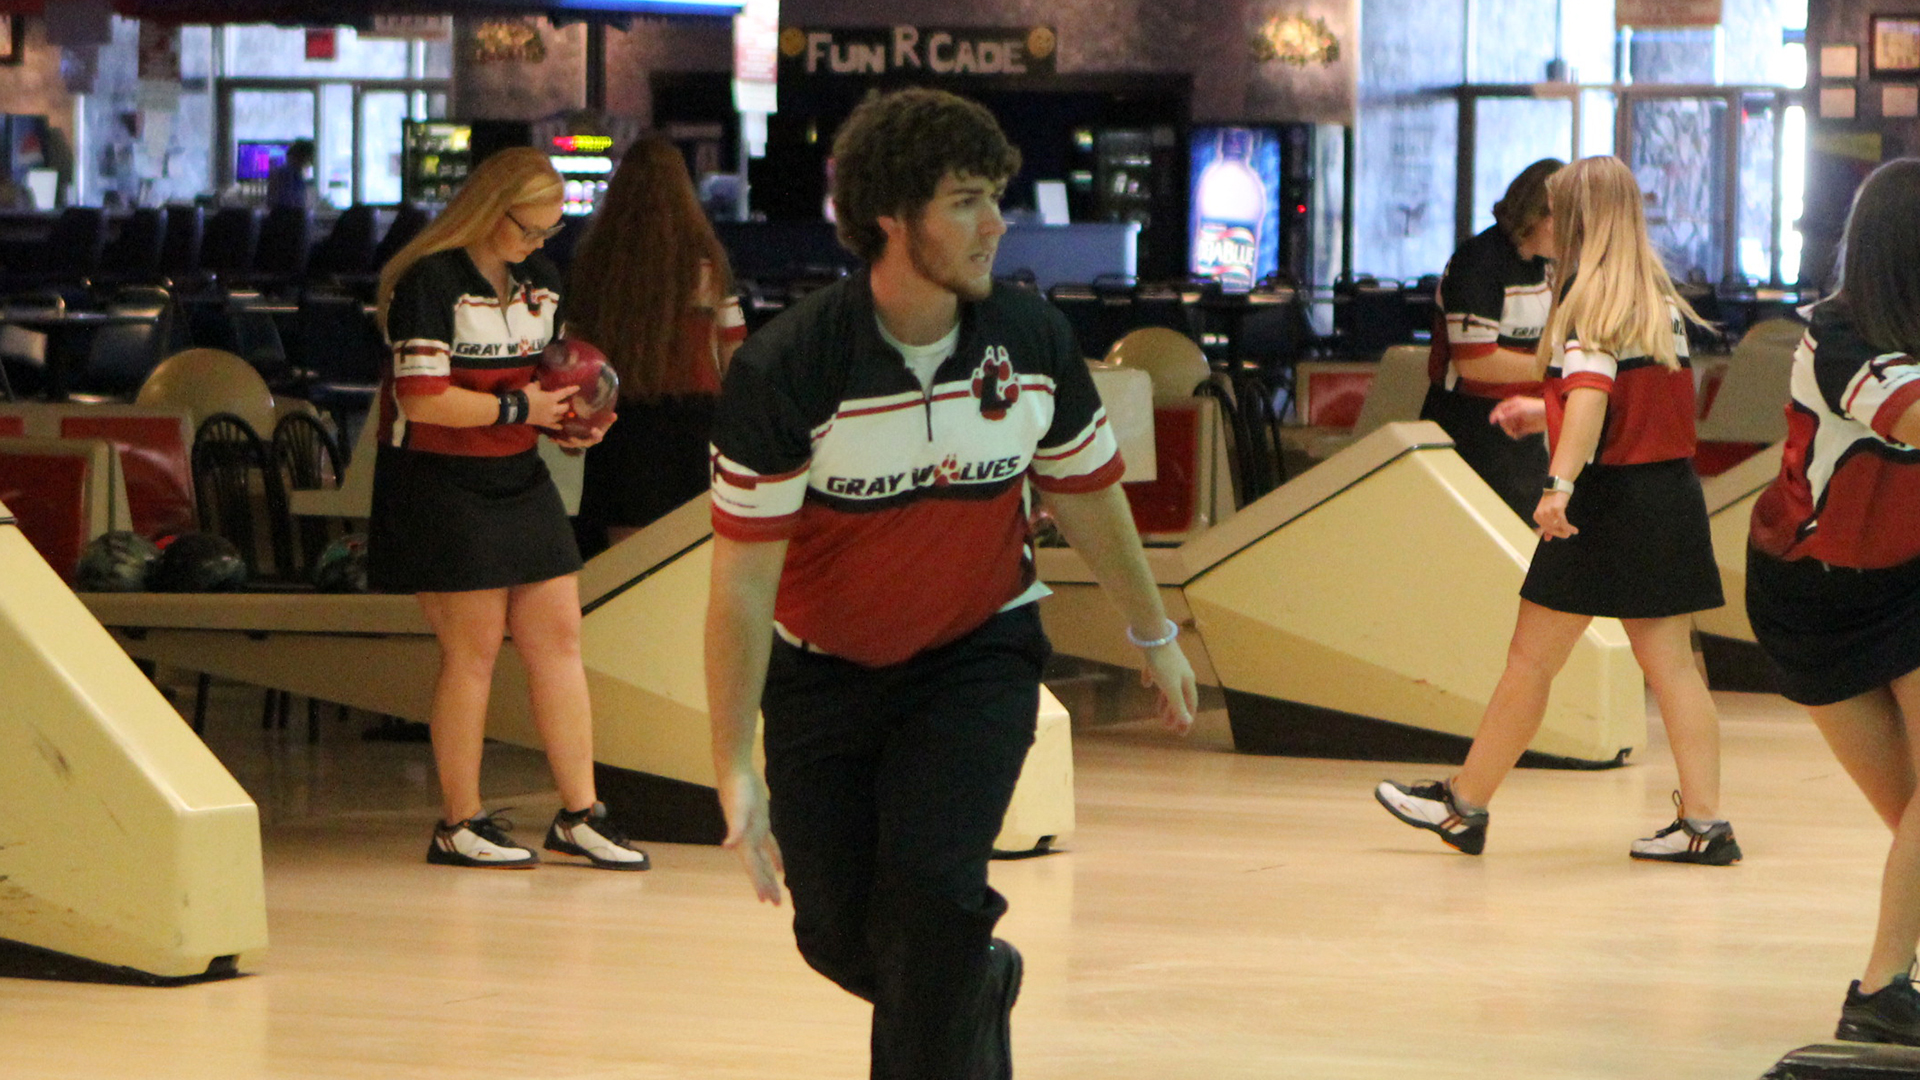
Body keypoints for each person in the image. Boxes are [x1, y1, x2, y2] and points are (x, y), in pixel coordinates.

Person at [703, 88, 1199, 1080]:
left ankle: (955, 975)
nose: (995, 224)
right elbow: (742, 591)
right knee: (840, 935)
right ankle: (979, 979)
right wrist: (733, 763)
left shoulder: (1031, 341)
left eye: (993, 197)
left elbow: (1088, 498)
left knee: (931, 906)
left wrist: (1155, 634)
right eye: (966, 201)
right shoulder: (789, 369)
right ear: (891, 216)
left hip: (976, 656)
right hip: (824, 678)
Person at [1376, 156, 1738, 864]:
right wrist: (1540, 413)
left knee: (1530, 661)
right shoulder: (1655, 297)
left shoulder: (1589, 299)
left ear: (1576, 219)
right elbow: (1629, 400)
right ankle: (1704, 825)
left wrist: (1557, 486)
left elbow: (1596, 404)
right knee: (1672, 667)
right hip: (1668, 494)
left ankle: (1464, 806)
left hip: (1604, 503)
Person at [369, 146, 648, 871]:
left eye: (550, 232)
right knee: (474, 651)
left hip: (515, 474)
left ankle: (579, 814)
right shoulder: (429, 283)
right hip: (437, 479)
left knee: (559, 638)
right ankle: (458, 822)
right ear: (490, 211)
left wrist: (574, 423)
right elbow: (422, 398)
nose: (538, 244)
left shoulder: (540, 283)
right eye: (528, 229)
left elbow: (539, 385)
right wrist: (525, 405)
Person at [1746, 159, 1920, 1045]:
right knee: (1909, 816)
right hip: (1810, 596)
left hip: (1908, 579)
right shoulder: (1835, 338)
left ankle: (1885, 993)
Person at [568, 137, 747, 554]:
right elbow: (734, 350)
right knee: (687, 559)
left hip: (620, 424)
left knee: (620, 563)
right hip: (695, 425)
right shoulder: (706, 263)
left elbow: (577, 355)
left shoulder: (597, 262)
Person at [1421, 158, 1561, 518]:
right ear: (1541, 216)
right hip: (1468, 426)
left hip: (1520, 428)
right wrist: (1556, 368)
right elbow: (1476, 362)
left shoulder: (1545, 264)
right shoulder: (1479, 261)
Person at [268, 139, 316, 211]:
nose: (311, 161)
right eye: (310, 157)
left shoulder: (292, 174)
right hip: (288, 216)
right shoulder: (288, 175)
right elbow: (295, 203)